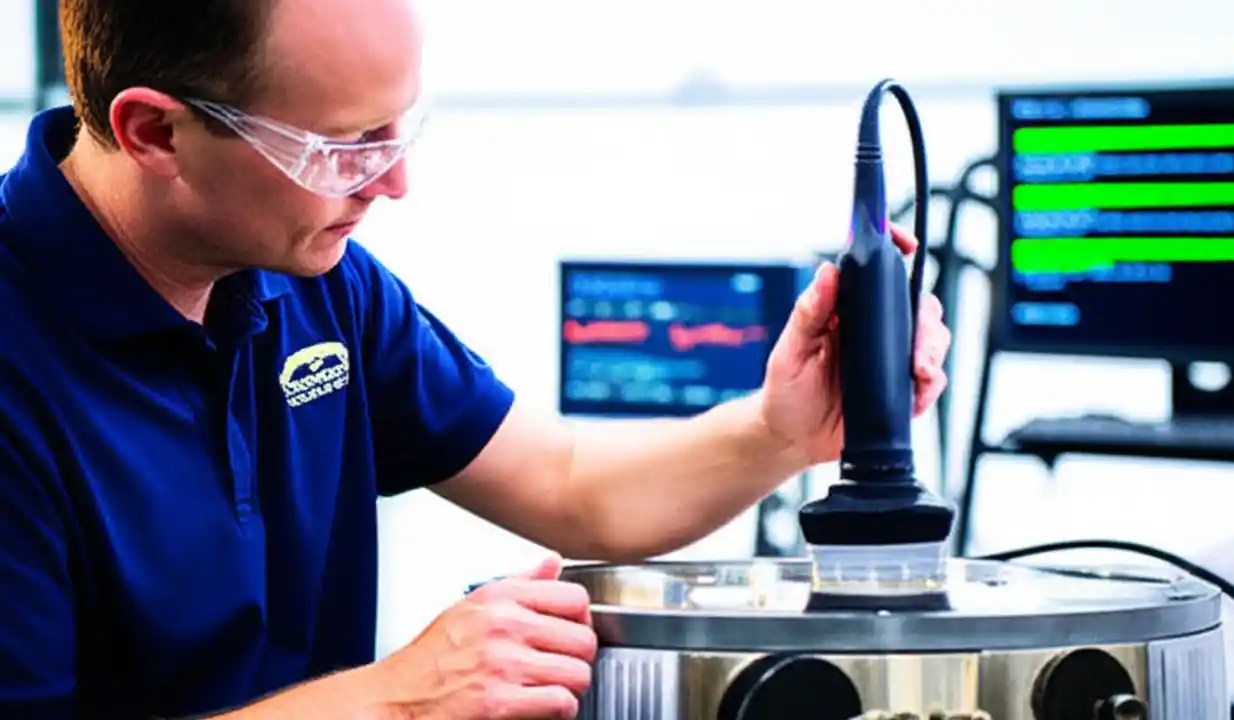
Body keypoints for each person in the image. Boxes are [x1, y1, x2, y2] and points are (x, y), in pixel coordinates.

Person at [0, 0, 952, 718]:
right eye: (340, 146)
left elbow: (575, 488)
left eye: (401, 126)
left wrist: (783, 428)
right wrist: (399, 697)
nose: (394, 181)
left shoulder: (321, 288)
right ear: (153, 131)